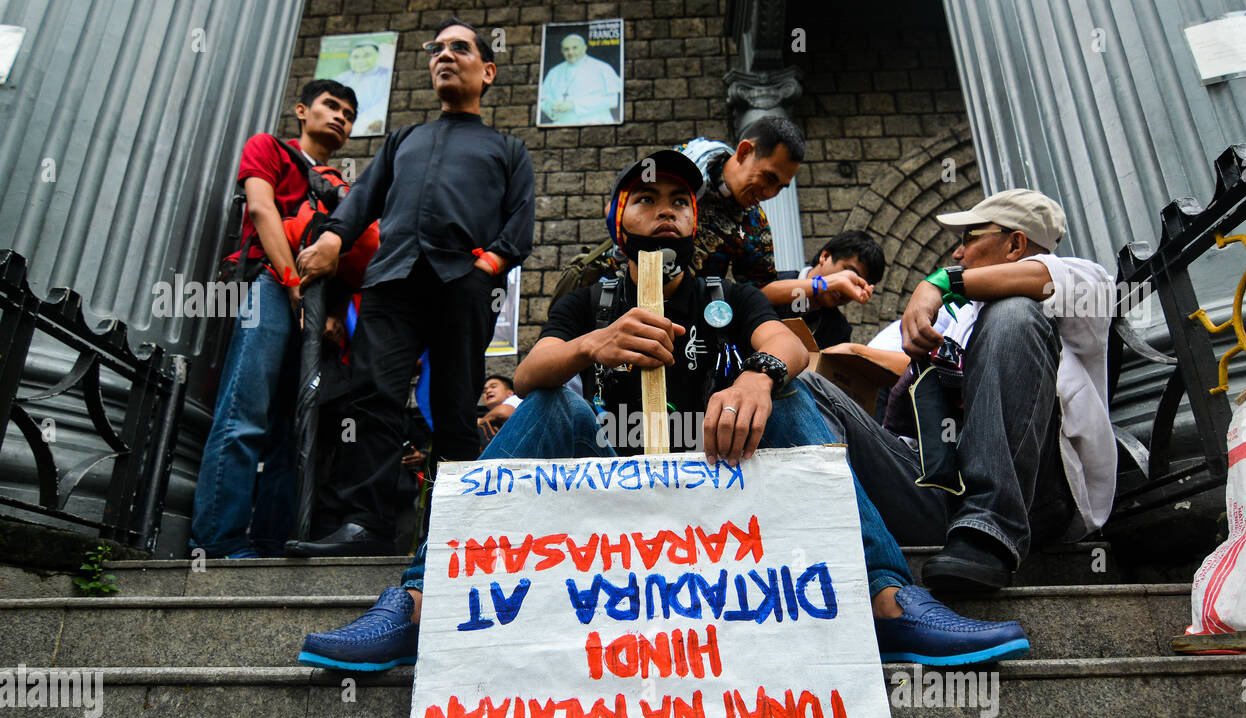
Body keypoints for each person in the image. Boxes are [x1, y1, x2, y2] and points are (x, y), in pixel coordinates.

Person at [298, 149, 1028, 673]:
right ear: (622, 219)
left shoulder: (727, 290)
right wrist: (592, 344)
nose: (667, 213)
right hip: (608, 478)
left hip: (711, 480)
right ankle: (422, 597)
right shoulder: (590, 292)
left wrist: (759, 377)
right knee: (551, 401)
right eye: (648, 201)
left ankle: (885, 596)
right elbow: (528, 369)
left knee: (792, 390)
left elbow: (785, 342)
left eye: (679, 201)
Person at [287, 18, 535, 557]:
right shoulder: (404, 140)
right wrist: (332, 240)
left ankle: (456, 529)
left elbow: (520, 223)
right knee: (373, 395)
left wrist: (487, 266)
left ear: (487, 71)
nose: (445, 55)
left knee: (453, 407)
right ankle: (366, 524)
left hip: (462, 284)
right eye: (437, 48)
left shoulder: (508, 149)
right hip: (392, 278)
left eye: (460, 48)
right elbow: (362, 200)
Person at [803, 188, 1117, 592]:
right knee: (810, 388)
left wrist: (938, 284)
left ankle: (990, 530)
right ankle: (830, 538)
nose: (957, 253)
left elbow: (1042, 280)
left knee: (1013, 311)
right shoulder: (960, 318)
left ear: (1015, 243)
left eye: (969, 238)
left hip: (1031, 499)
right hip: (943, 493)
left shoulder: (1081, 277)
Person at [189, 79, 357, 559]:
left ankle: (271, 542)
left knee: (294, 431)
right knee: (244, 416)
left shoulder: (340, 185)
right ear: (302, 111)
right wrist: (293, 287)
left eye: (348, 112)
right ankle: (218, 544)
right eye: (330, 106)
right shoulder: (268, 148)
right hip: (269, 284)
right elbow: (262, 210)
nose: (340, 116)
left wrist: (328, 314)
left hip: (316, 308)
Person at [678, 117, 806, 286]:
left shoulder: (754, 225)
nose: (769, 193)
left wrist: (817, 285)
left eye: (780, 187)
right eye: (768, 178)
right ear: (744, 151)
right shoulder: (683, 165)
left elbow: (761, 289)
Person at [767, 230, 885, 348]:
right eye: (849, 273)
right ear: (825, 256)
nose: (849, 286)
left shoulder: (840, 332)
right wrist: (828, 283)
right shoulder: (771, 282)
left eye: (860, 285)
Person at [538, 33, 621, 125]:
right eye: (566, 49)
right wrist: (551, 108)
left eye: (575, 48)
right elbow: (543, 99)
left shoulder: (602, 68)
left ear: (584, 48)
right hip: (562, 125)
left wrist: (574, 105)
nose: (570, 52)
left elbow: (612, 100)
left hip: (594, 123)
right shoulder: (554, 72)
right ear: (562, 51)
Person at [334, 41, 392, 137]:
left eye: (367, 56)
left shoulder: (387, 76)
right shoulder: (340, 79)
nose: (361, 61)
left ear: (378, 56)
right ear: (350, 59)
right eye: (356, 57)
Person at [477, 373, 518, 443]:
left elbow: (503, 412)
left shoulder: (515, 399)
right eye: (484, 391)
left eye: (493, 387)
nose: (488, 391)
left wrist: (481, 421)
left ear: (510, 393)